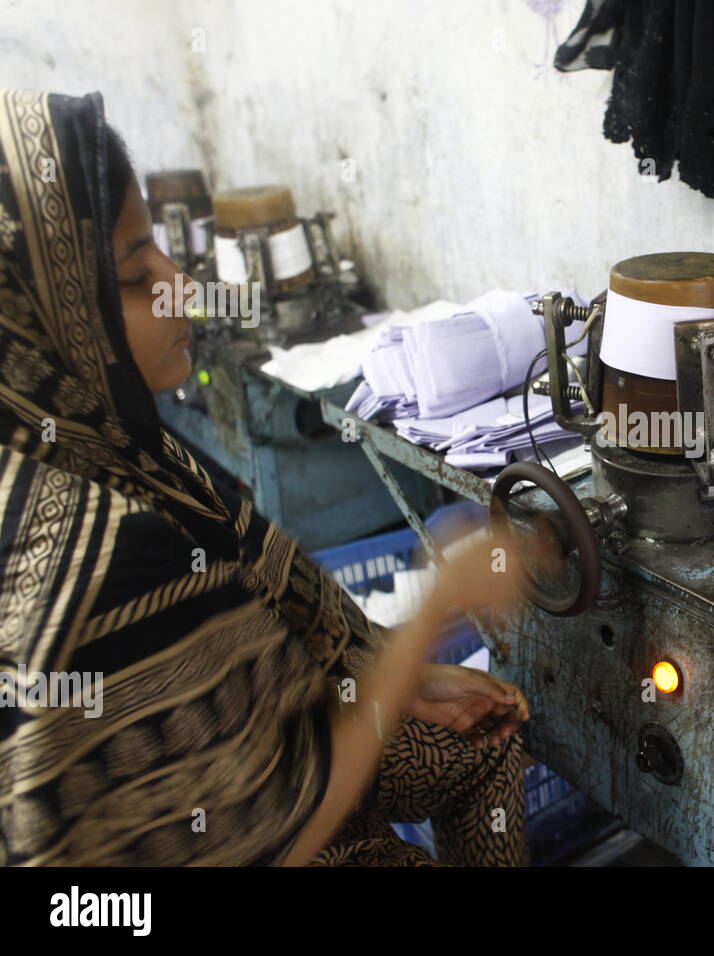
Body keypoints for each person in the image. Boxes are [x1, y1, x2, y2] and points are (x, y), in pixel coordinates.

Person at [0, 89, 531, 866]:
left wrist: (388, 672)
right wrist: (435, 613)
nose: (182, 287)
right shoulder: (93, 564)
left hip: (255, 775)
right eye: (132, 274)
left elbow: (277, 621)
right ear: (42, 315)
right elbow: (268, 832)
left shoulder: (113, 453)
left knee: (485, 746)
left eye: (162, 252)